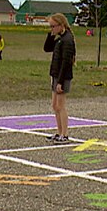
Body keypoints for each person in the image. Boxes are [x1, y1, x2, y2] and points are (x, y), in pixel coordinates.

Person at [43, 12, 76, 143]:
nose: (52, 28)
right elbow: (47, 48)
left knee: (61, 106)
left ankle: (65, 133)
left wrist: (60, 81)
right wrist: (50, 36)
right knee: (55, 105)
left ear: (61, 25)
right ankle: (58, 131)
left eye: (53, 26)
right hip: (55, 74)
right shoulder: (60, 39)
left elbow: (66, 62)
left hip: (63, 76)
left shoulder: (67, 40)